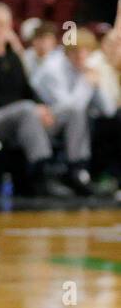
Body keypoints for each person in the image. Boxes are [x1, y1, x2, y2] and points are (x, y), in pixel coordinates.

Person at [0, 3, 75, 198]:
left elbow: (27, 90)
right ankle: (41, 173)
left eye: (0, 25)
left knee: (71, 110)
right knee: (27, 110)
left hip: (21, 117)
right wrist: (31, 107)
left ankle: (77, 172)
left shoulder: (13, 57)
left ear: (9, 27)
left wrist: (43, 107)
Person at [31, 27, 112, 195]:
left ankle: (97, 172)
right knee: (77, 113)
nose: (81, 55)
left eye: (86, 51)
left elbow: (108, 110)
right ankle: (77, 169)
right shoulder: (53, 68)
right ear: (68, 51)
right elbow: (68, 107)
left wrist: (97, 85)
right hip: (42, 121)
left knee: (107, 119)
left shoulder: (86, 68)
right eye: (76, 51)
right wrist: (86, 83)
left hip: (68, 121)